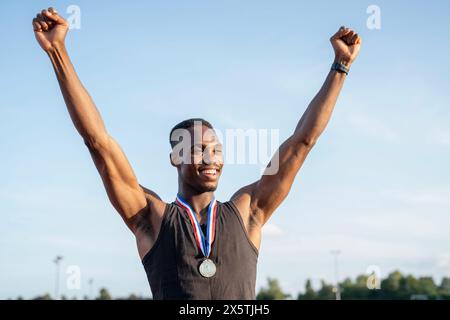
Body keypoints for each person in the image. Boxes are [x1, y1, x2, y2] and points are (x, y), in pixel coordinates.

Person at [32, 7, 361, 299]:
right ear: (175, 158)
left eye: (216, 150)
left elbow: (302, 143)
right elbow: (98, 143)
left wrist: (340, 66)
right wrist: (58, 51)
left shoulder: (249, 212)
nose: (210, 157)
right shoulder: (151, 218)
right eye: (198, 149)